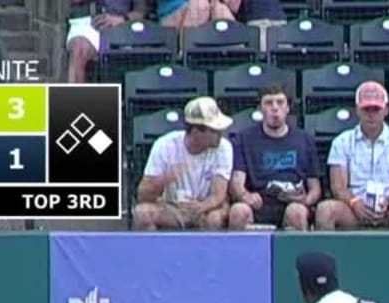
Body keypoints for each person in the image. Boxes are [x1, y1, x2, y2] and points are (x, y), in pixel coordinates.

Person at [316, 81, 389, 232]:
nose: (371, 114)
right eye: (366, 109)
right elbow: (338, 187)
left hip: (388, 208)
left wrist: (388, 202)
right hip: (352, 207)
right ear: (357, 110)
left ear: (386, 110)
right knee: (325, 210)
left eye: (376, 109)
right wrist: (355, 203)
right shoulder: (341, 142)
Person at [227, 84, 321, 231]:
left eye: (280, 102)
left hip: (292, 202)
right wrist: (246, 196)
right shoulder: (244, 139)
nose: (275, 108)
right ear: (260, 109)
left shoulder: (304, 139)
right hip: (259, 203)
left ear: (288, 108)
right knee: (238, 212)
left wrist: (306, 200)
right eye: (269, 103)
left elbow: (315, 187)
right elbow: (237, 182)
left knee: (297, 213)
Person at [131, 96, 234, 231]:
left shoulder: (224, 147)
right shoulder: (165, 145)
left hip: (207, 207)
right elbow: (143, 195)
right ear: (196, 131)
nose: (221, 134)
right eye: (214, 130)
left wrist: (199, 207)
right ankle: (156, 252)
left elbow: (218, 195)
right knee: (142, 213)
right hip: (173, 208)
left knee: (214, 219)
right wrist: (163, 179)